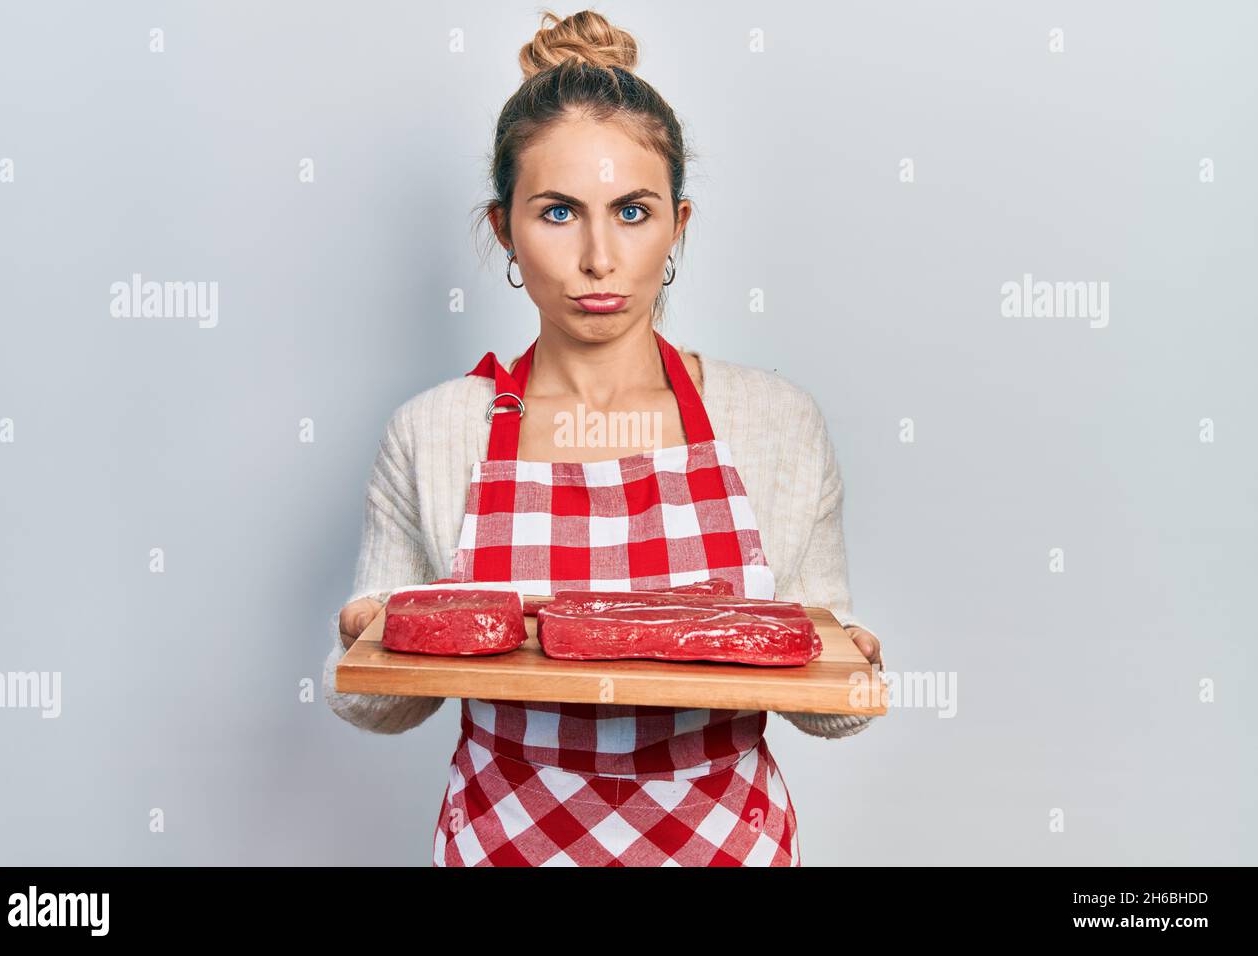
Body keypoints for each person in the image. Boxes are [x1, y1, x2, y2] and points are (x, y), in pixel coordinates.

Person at [323, 8, 884, 867]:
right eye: (557, 213)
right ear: (503, 227)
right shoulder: (436, 431)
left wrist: (850, 661)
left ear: (678, 226)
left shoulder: (774, 423)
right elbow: (377, 705)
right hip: (502, 842)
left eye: (631, 211)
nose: (598, 257)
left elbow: (825, 702)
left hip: (725, 846)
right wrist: (370, 634)